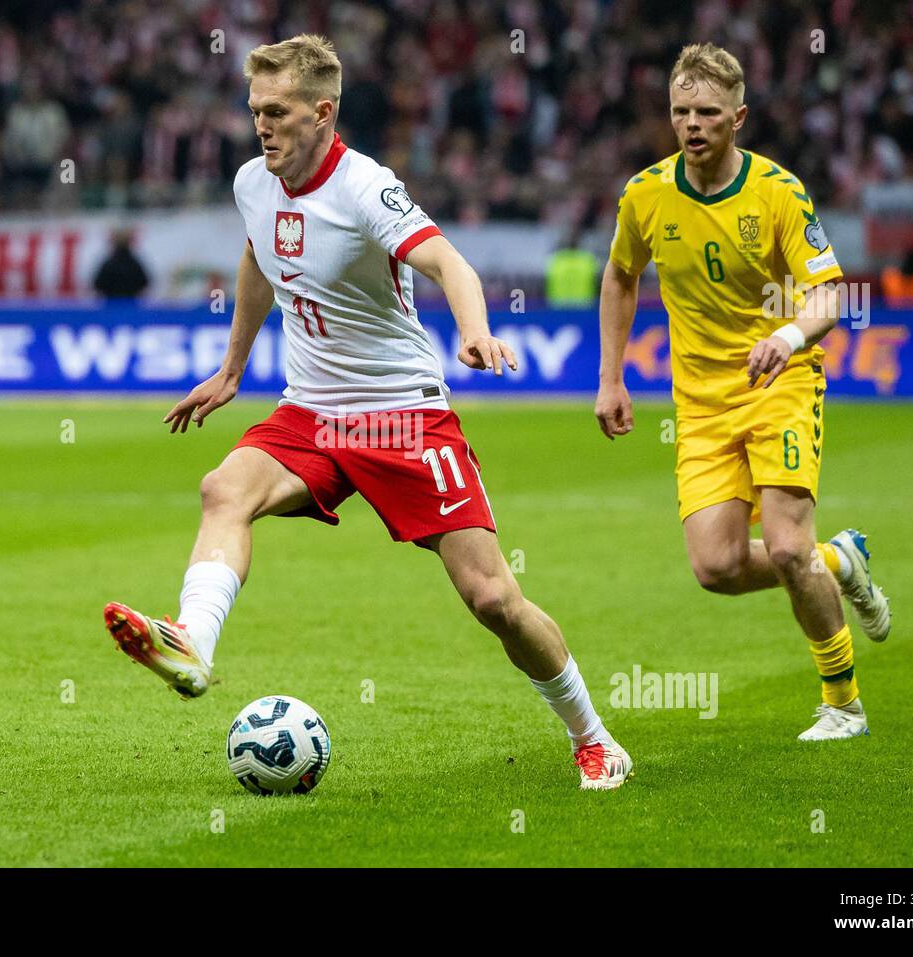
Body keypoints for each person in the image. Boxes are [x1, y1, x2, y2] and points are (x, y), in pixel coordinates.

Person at [103, 34, 632, 790]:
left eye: (277, 112)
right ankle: (191, 644)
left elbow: (447, 260)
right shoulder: (253, 182)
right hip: (311, 412)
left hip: (401, 416)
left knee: (492, 597)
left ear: (323, 113)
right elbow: (257, 260)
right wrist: (232, 368)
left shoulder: (365, 187)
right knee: (223, 488)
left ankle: (593, 736)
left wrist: (475, 330)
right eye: (255, 111)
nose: (262, 126)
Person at [595, 43, 891, 742]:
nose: (691, 125)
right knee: (718, 567)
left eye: (706, 112)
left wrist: (787, 337)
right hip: (701, 403)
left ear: (738, 117)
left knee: (787, 547)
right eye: (680, 111)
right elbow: (620, 275)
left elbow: (828, 293)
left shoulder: (778, 192)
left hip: (780, 383)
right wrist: (611, 378)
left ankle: (842, 703)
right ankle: (839, 561)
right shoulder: (645, 194)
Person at [92, 229, 151, 300]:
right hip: (130, 302)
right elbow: (144, 283)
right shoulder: (134, 263)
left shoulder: (109, 263)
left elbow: (98, 285)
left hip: (111, 302)